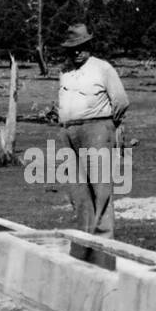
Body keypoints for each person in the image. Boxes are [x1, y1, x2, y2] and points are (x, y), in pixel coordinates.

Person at [56, 23, 129, 237]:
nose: (77, 52)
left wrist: (105, 126)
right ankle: (85, 239)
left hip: (96, 130)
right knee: (77, 190)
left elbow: (121, 101)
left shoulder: (102, 68)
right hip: (69, 133)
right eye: (72, 48)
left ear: (89, 44)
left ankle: (104, 241)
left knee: (100, 187)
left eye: (81, 46)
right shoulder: (65, 71)